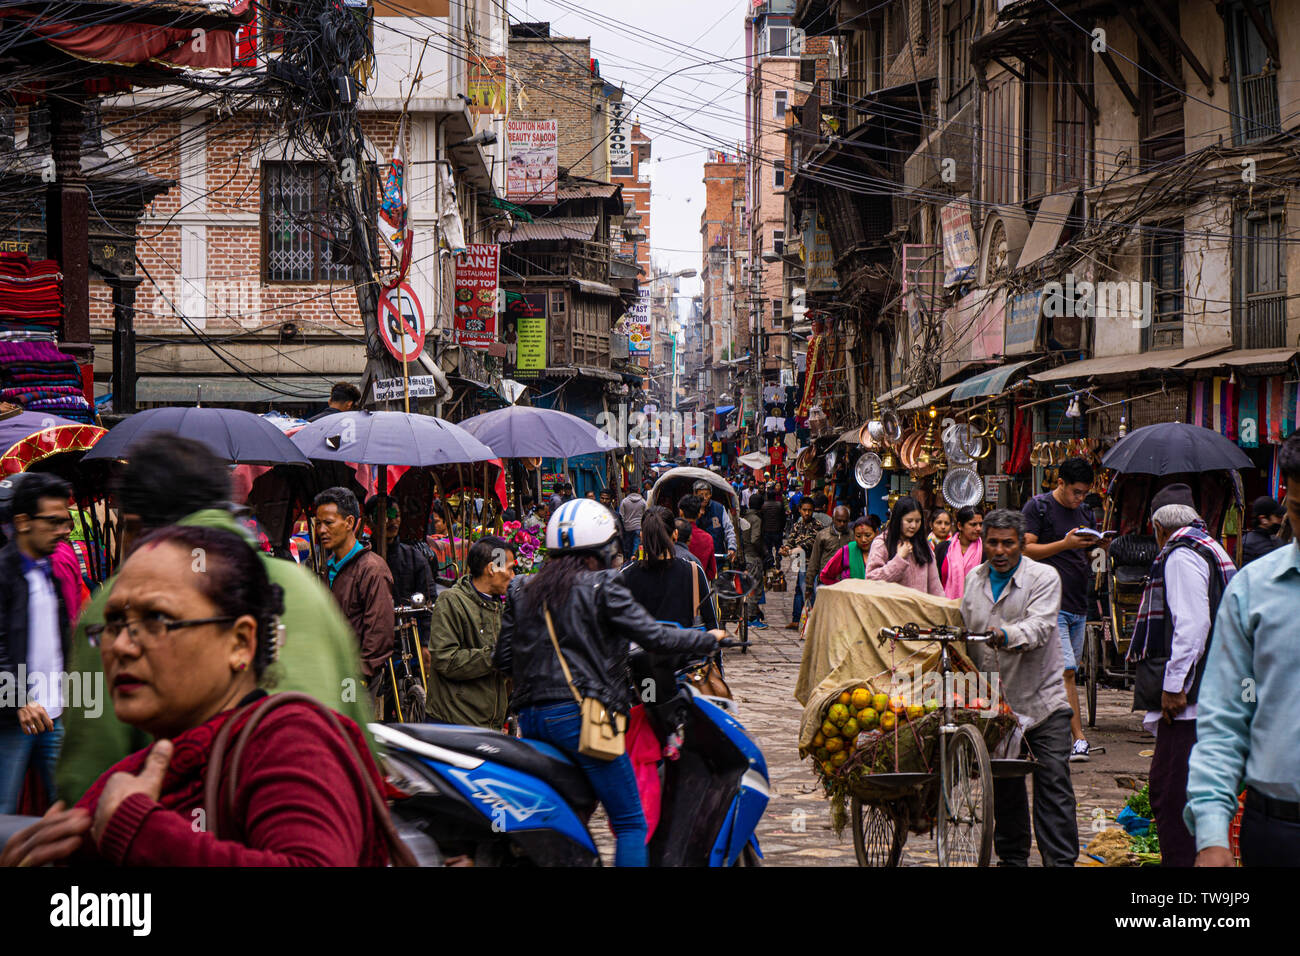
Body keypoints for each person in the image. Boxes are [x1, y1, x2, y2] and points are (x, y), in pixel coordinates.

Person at [2, 525, 396, 867]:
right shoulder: (134, 774)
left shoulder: (292, 741)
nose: (120, 645)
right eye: (113, 623)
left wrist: (137, 828)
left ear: (240, 642)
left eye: (156, 619)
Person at [56, 435, 371, 806]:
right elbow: (361, 745)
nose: (124, 643)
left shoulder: (118, 602)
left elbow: (86, 780)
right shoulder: (306, 590)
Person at [493, 498, 725, 867]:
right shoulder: (603, 584)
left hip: (531, 721)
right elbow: (654, 636)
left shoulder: (522, 588)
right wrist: (707, 638)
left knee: (568, 812)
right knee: (630, 821)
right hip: (581, 720)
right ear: (605, 549)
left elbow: (503, 660)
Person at [1185, 432, 1300, 866]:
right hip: (1277, 832)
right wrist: (1212, 833)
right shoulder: (1252, 589)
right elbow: (1224, 718)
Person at [961, 509, 1076, 866]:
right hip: (997, 707)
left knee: (1053, 786)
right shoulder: (973, 579)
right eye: (992, 542)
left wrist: (1006, 634)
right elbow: (961, 623)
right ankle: (1012, 861)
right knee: (1005, 790)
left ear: (1021, 544)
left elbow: (1040, 627)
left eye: (1007, 543)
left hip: (1042, 702)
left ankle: (1060, 862)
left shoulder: (1044, 577)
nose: (999, 550)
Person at [1126, 502, 1235, 867]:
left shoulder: (1180, 555)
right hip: (1215, 690)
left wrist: (1173, 685)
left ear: (1158, 529)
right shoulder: (1212, 547)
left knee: (1172, 796)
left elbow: (1192, 626)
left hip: (1193, 699)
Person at [1022, 456, 1104, 762]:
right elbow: (1025, 550)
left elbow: (1086, 551)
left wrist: (1098, 546)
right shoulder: (1038, 507)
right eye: (1076, 492)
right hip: (1047, 604)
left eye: (1085, 493)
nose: (1080, 499)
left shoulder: (1084, 512)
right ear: (1060, 483)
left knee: (1063, 674)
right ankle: (1078, 738)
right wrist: (1064, 545)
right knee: (1066, 671)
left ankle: (1041, 733)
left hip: (1077, 603)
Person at [0, 474, 74, 814]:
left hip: (55, 714)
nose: (64, 530)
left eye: (66, 521)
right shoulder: (4, 573)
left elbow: (59, 644)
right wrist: (18, 700)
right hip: (13, 718)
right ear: (23, 523)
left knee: (67, 806)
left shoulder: (51, 573)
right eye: (54, 521)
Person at [425, 536, 515, 728]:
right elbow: (445, 660)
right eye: (510, 569)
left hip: (489, 725)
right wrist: (495, 655)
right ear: (492, 569)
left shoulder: (498, 606)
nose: (513, 576)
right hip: (454, 723)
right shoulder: (451, 601)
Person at [313, 487, 394, 686]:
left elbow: (379, 631)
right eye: (319, 524)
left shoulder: (372, 569)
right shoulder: (328, 567)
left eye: (328, 523)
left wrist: (360, 674)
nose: (321, 530)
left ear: (349, 522)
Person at [621, 509, 717, 632]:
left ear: (641, 536)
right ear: (675, 534)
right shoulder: (693, 571)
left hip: (640, 649)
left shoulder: (627, 574)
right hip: (683, 648)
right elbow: (711, 624)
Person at [863, 496, 944, 596]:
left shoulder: (923, 545)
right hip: (891, 610)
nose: (914, 526)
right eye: (909, 521)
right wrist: (899, 559)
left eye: (918, 521)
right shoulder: (882, 543)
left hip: (919, 610)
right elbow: (871, 581)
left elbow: (935, 586)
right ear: (898, 519)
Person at [780, 497, 821, 629]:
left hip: (812, 563)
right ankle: (796, 619)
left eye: (809, 510)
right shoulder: (797, 525)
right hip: (800, 562)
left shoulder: (817, 526)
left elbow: (810, 542)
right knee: (798, 589)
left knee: (808, 590)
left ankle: (812, 620)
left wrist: (793, 549)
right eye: (804, 510)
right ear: (799, 510)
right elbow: (791, 540)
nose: (807, 513)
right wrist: (786, 548)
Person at [934, 507, 984, 600]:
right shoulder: (942, 549)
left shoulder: (985, 551)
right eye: (973, 524)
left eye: (980, 524)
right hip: (946, 606)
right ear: (960, 526)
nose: (978, 528)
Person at [808, 505, 851, 605]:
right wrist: (809, 585)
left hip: (845, 583)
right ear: (833, 519)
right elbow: (814, 560)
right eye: (839, 520)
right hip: (825, 582)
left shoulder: (852, 536)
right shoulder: (823, 535)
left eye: (845, 521)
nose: (842, 524)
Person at [819, 517, 876, 584]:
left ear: (876, 533)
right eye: (858, 536)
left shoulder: (884, 551)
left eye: (868, 535)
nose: (863, 540)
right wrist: (842, 588)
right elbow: (825, 576)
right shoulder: (847, 551)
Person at [693, 480, 737, 567]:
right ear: (695, 494)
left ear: (711, 495)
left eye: (707, 494)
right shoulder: (691, 508)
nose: (704, 497)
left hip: (717, 556)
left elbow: (729, 529)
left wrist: (732, 547)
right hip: (696, 558)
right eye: (701, 495)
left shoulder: (719, 508)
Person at [739, 492, 767, 628]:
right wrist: (764, 552)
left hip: (744, 556)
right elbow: (755, 539)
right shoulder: (756, 519)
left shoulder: (744, 517)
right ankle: (751, 618)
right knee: (754, 588)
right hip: (753, 557)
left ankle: (750, 614)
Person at [677, 494, 717, 580]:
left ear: (680, 512)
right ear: (699, 514)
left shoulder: (671, 534)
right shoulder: (707, 538)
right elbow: (711, 573)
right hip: (698, 587)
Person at [1242, 495, 1284, 565]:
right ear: (1263, 519)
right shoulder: (1247, 545)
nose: (1280, 520)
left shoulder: (1277, 540)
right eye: (1277, 516)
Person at [760, 487, 787, 564]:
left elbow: (762, 518)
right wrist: (782, 528)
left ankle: (770, 559)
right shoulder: (779, 505)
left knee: (768, 547)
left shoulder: (764, 506)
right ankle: (778, 556)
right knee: (778, 546)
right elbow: (783, 518)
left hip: (767, 530)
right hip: (777, 530)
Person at [618, 486, 646, 561]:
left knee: (628, 545)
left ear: (629, 491)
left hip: (627, 527)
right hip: (638, 527)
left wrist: (625, 523)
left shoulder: (624, 501)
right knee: (637, 544)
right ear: (638, 490)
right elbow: (646, 514)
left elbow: (621, 515)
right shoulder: (643, 501)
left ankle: (628, 559)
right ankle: (635, 559)